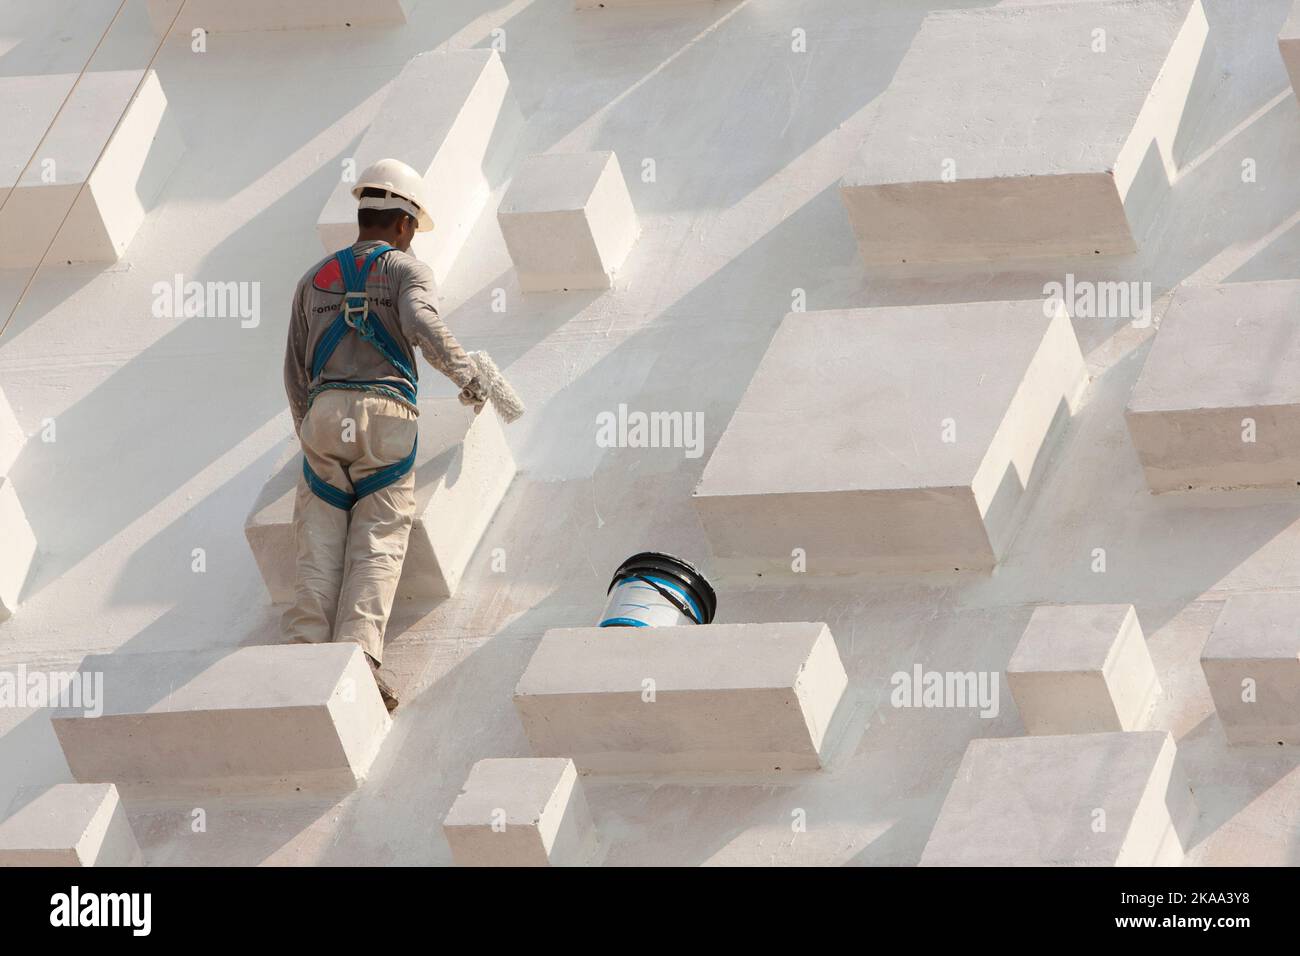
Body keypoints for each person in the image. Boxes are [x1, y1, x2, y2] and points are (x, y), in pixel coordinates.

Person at [281, 158, 486, 711]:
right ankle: (358, 657)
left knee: (319, 537)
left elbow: (295, 369)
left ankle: (304, 649)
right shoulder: (407, 270)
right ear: (405, 224)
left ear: (365, 214)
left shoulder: (314, 278)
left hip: (323, 415)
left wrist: (308, 425)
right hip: (386, 413)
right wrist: (469, 378)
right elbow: (422, 323)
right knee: (378, 539)